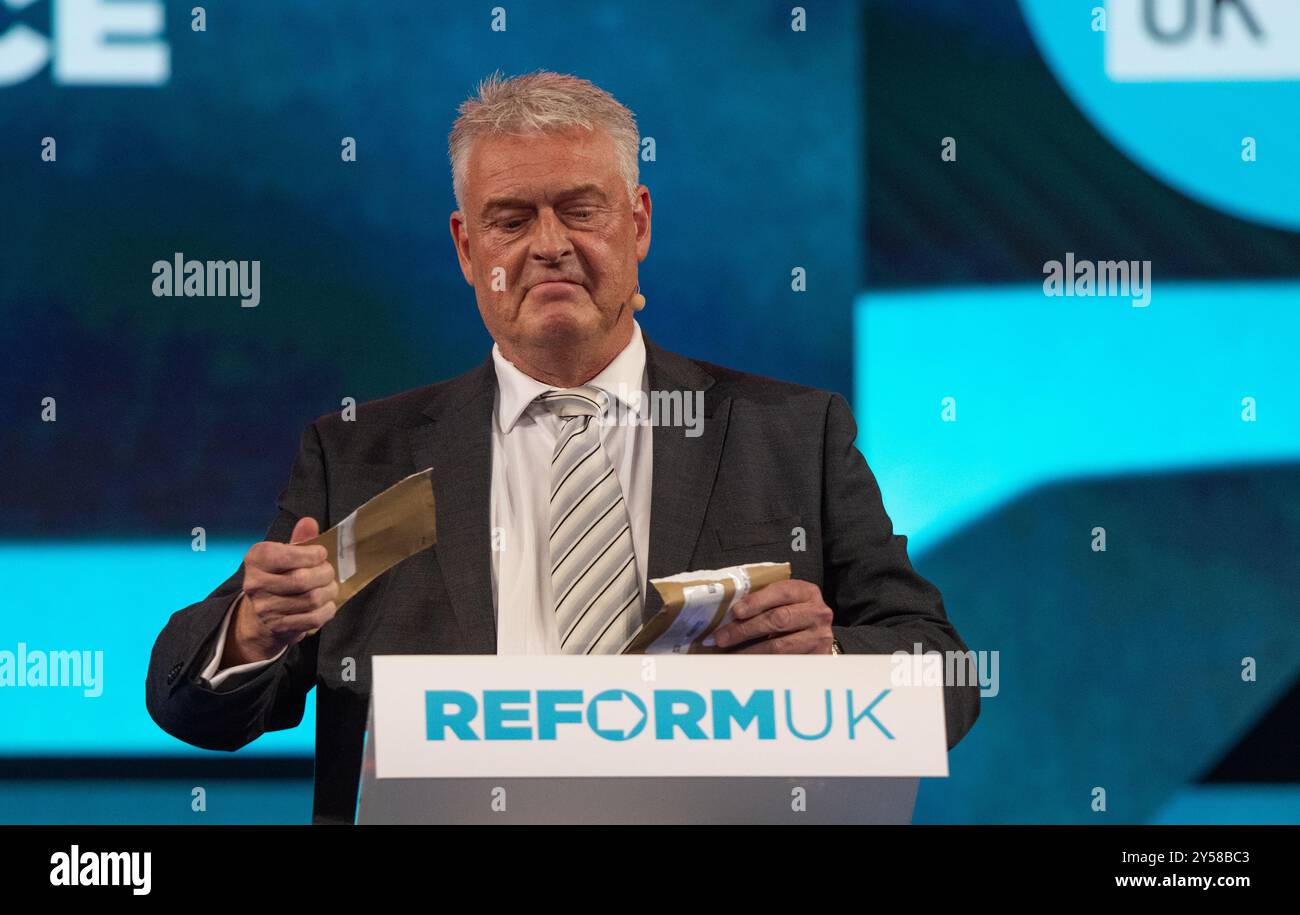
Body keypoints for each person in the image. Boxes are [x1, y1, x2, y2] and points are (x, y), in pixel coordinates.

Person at [146, 70, 979, 824]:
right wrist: (254, 627)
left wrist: (831, 659)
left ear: (639, 222)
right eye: (509, 219)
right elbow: (189, 703)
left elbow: (947, 678)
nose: (548, 244)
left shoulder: (792, 433)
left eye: (581, 210)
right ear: (468, 250)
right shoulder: (361, 453)